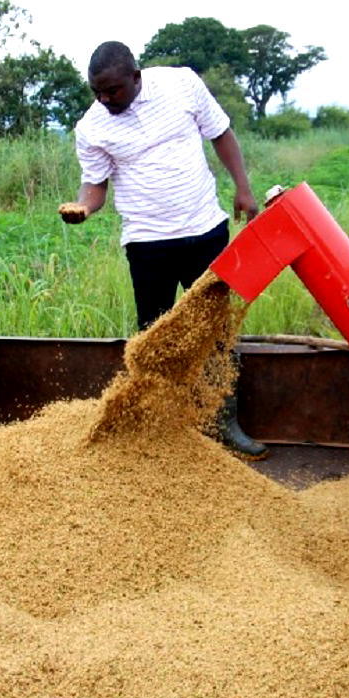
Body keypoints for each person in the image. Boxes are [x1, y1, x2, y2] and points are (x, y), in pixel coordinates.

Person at [59, 41, 267, 458]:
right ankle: (159, 428)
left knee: (216, 331)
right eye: (97, 91)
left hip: (205, 230)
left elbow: (221, 133)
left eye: (113, 90)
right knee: (154, 336)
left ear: (136, 77)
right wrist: (84, 206)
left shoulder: (182, 84)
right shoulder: (92, 127)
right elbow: (95, 184)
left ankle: (223, 424)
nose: (104, 99)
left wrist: (243, 189)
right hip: (147, 242)